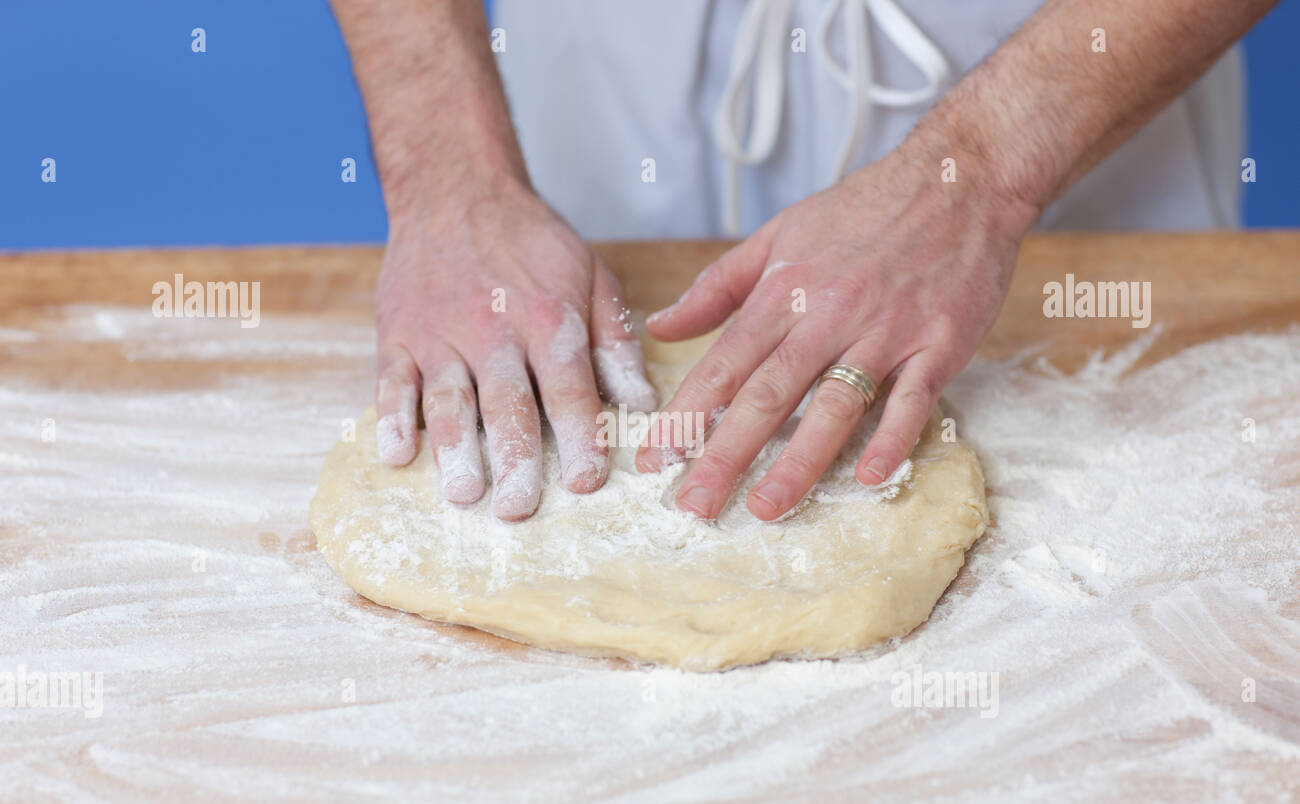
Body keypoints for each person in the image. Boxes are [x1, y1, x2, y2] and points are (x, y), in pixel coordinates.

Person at [328, 0, 1272, 522]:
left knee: (1118, 509)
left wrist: (980, 175)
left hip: (1055, 85)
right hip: (608, 85)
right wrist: (452, 177)